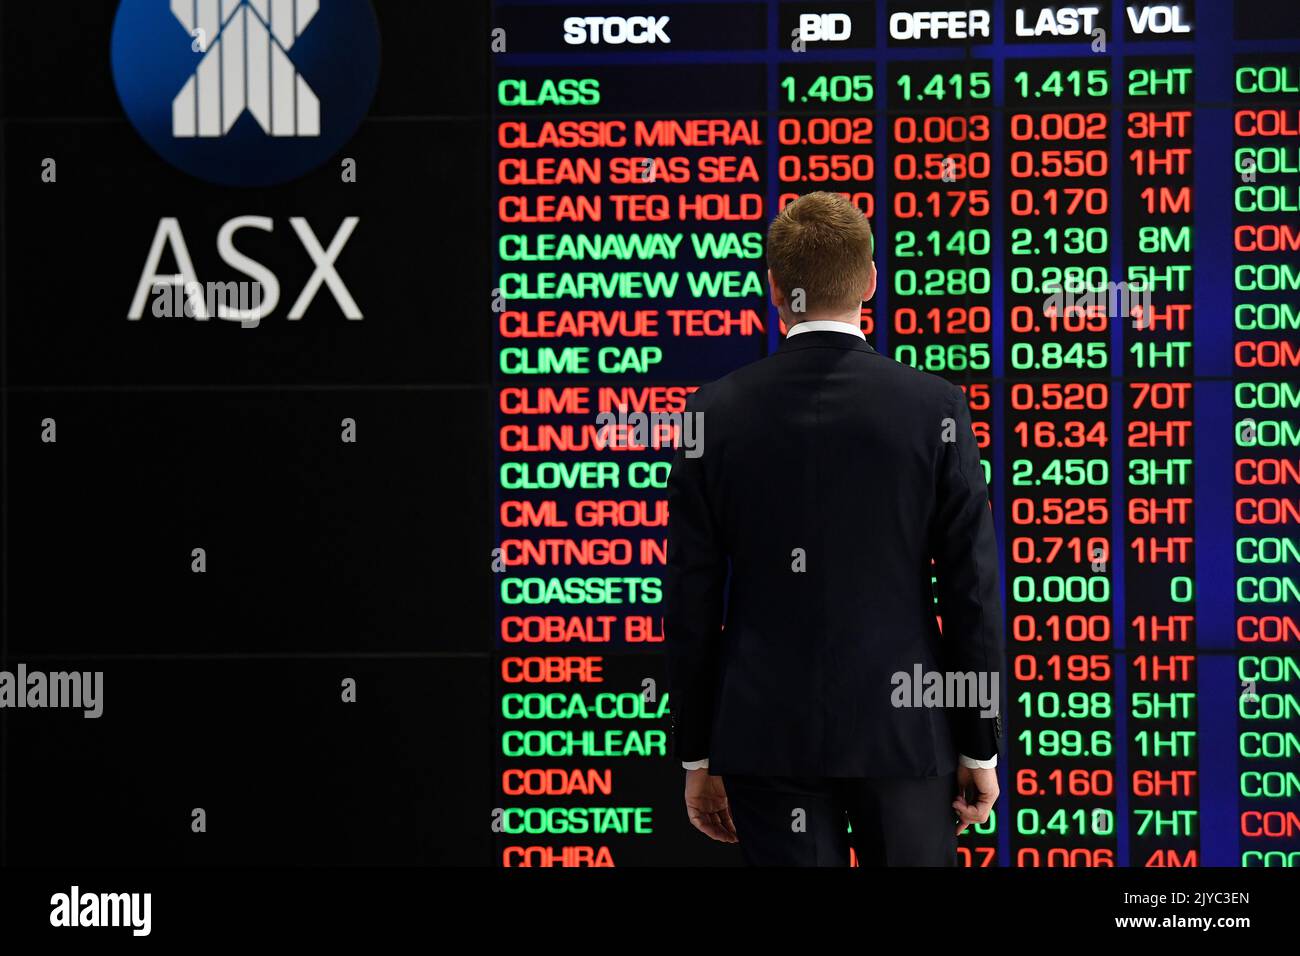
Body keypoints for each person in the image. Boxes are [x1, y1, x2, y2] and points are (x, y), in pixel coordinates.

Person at [663, 191, 1004, 866]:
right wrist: (979, 745)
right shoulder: (934, 407)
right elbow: (971, 591)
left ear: (774, 289)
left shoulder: (714, 414)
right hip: (906, 734)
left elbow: (691, 600)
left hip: (767, 735)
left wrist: (698, 753)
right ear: (872, 281)